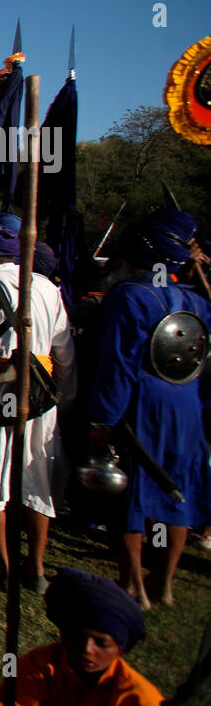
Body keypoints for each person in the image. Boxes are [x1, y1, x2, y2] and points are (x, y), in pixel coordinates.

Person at [88, 206, 211, 610]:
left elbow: (118, 364)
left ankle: (132, 584)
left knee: (133, 494)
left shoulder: (131, 297)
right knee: (176, 491)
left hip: (145, 404)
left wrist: (104, 417)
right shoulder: (196, 298)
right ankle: (164, 583)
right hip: (187, 405)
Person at [0, 219, 75, 592]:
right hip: (42, 395)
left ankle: (1, 566)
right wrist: (64, 397)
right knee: (37, 477)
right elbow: (64, 351)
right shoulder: (46, 286)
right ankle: (36, 567)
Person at [0, 567, 161, 706]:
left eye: (101, 643)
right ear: (62, 631)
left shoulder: (138, 697)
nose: (86, 649)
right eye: (78, 636)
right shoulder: (41, 665)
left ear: (121, 649)